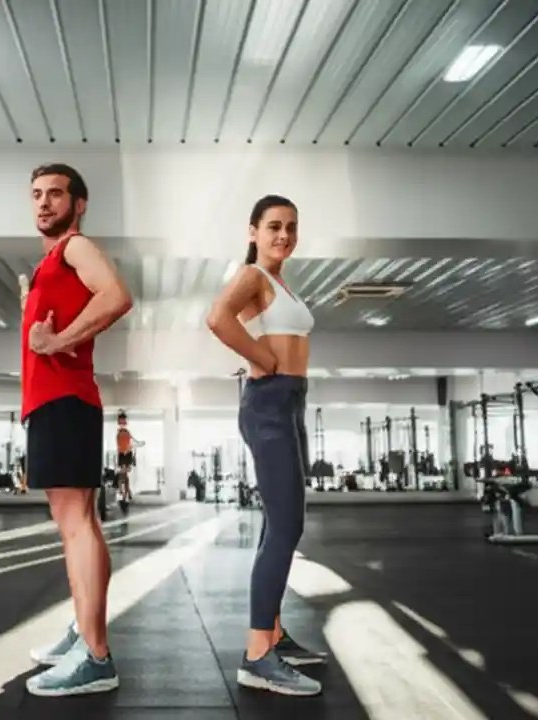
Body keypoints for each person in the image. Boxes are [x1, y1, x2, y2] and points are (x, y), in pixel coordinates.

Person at [205, 194, 327, 696]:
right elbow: (217, 317)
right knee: (288, 525)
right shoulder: (253, 276)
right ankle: (258, 655)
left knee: (280, 523)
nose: (284, 235)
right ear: (253, 230)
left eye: (291, 227)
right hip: (270, 401)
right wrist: (261, 357)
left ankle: (274, 633)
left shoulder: (280, 284)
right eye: (274, 226)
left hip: (290, 401)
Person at [20, 162, 133, 697]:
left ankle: (95, 655)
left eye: (56, 194)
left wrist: (59, 340)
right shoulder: (50, 263)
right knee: (80, 523)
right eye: (37, 194)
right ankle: (83, 631)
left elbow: (116, 297)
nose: (44, 202)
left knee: (76, 526)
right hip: (58, 404)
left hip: (63, 401)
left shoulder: (74, 248)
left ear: (79, 203)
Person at [115, 411, 142, 506]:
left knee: (124, 474)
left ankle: (126, 494)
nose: (122, 421)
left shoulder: (126, 432)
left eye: (123, 419)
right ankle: (126, 493)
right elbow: (119, 445)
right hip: (122, 454)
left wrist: (134, 447)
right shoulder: (119, 432)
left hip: (126, 454)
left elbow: (132, 442)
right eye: (120, 420)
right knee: (122, 475)